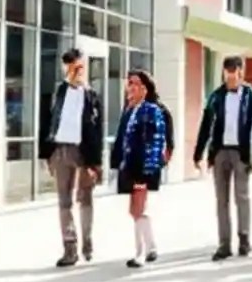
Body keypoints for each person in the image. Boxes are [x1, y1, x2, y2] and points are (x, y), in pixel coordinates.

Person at [193, 55, 252, 261]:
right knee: (221, 199)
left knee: (242, 196)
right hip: (220, 151)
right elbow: (205, 124)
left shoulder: (250, 95)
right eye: (226, 73)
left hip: (241, 152)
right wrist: (198, 152)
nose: (230, 78)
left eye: (233, 74)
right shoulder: (216, 96)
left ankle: (244, 238)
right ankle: (224, 243)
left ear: (241, 73)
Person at [44, 47, 104, 267]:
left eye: (79, 67)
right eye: (71, 68)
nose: (76, 72)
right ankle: (70, 248)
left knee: (85, 199)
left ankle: (87, 242)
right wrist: (48, 154)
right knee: (64, 202)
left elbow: (97, 131)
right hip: (60, 150)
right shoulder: (58, 92)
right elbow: (47, 121)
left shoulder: (92, 96)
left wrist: (95, 163)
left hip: (83, 153)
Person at [111, 70, 169, 268]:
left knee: (138, 208)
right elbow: (121, 140)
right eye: (129, 83)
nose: (131, 87)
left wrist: (147, 171)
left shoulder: (152, 110)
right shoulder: (129, 111)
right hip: (130, 167)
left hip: (143, 167)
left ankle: (140, 252)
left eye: (135, 83)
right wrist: (115, 164)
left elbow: (155, 142)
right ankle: (152, 246)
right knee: (135, 209)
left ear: (145, 88)